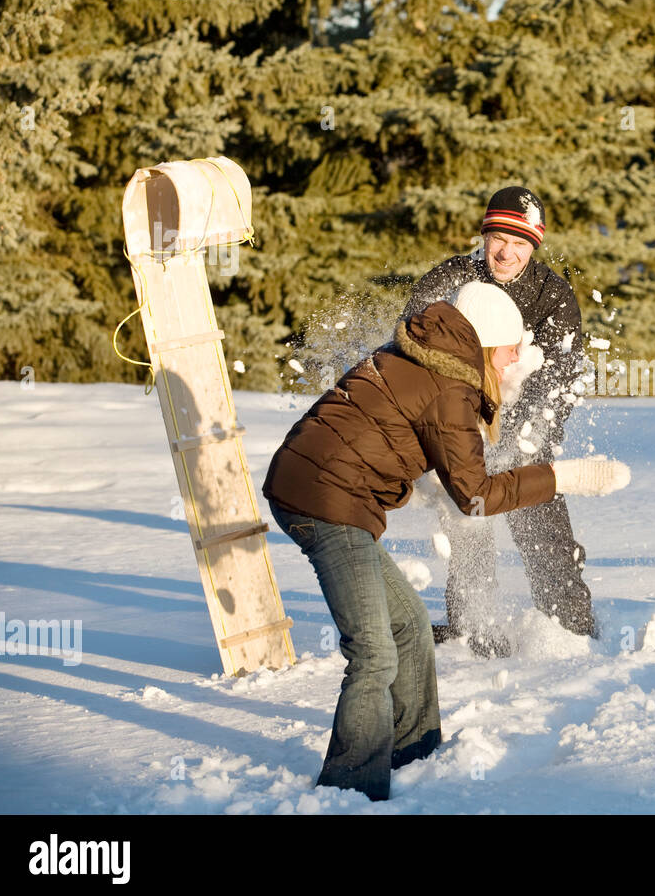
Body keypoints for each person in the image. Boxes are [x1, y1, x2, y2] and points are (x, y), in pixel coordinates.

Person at [262, 282, 630, 801]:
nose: (517, 359)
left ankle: (416, 753)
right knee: (372, 651)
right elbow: (475, 496)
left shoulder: (427, 357)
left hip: (327, 490)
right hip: (323, 501)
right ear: (482, 347)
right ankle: (349, 790)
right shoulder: (449, 390)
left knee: (409, 624)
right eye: (509, 349)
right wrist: (563, 476)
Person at [395, 186, 595, 656]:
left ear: (534, 246)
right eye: (498, 238)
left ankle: (573, 631)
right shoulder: (453, 278)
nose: (507, 251)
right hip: (456, 427)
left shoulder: (552, 295)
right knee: (468, 526)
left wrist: (515, 442)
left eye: (520, 242)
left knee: (546, 532)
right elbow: (412, 339)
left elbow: (558, 378)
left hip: (525, 437)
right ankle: (471, 629)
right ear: (484, 236)